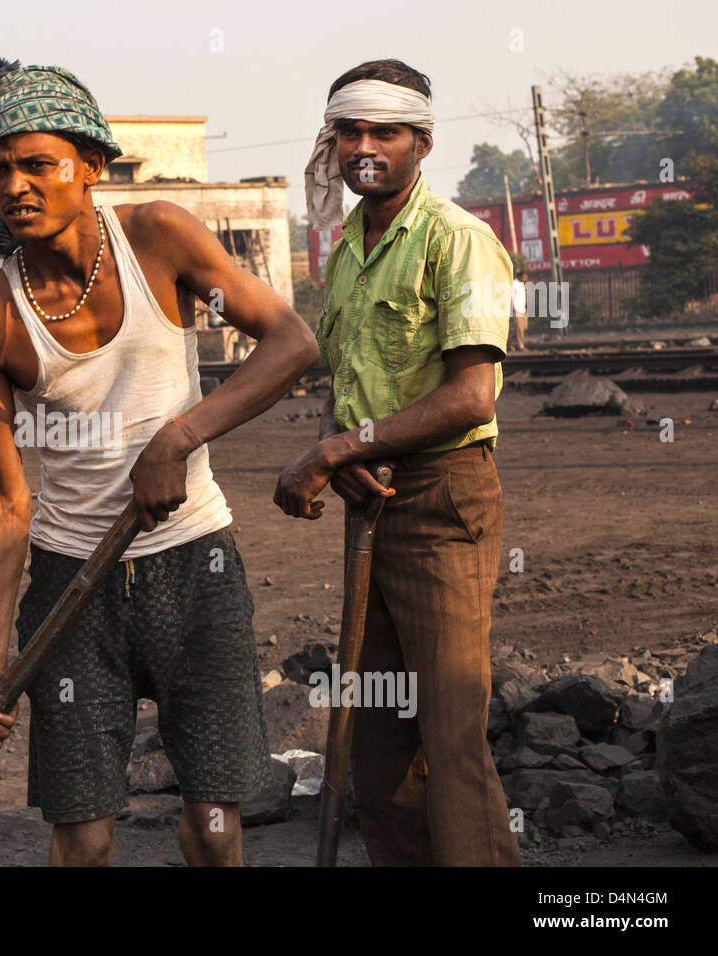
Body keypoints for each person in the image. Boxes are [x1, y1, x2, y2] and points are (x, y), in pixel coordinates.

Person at [0, 58, 318, 867]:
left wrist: (179, 438)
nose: (16, 185)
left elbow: (292, 341)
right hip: (68, 586)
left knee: (215, 824)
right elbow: (5, 500)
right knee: (82, 834)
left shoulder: (158, 237)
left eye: (38, 164)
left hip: (196, 564)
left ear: (92, 166)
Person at [276, 59, 520, 866]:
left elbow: (470, 397)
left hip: (443, 501)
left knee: (449, 736)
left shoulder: (459, 241)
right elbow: (346, 386)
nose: (362, 147)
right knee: (375, 735)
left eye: (383, 132)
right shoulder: (345, 253)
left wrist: (342, 446)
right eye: (348, 132)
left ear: (421, 142)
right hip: (370, 505)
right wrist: (342, 447)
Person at [510, 268, 528, 351]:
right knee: (520, 329)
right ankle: (521, 346)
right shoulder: (514, 284)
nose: (525, 279)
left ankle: (510, 342)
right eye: (524, 277)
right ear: (520, 276)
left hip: (523, 310)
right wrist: (513, 309)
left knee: (524, 328)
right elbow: (512, 297)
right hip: (517, 310)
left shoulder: (522, 284)